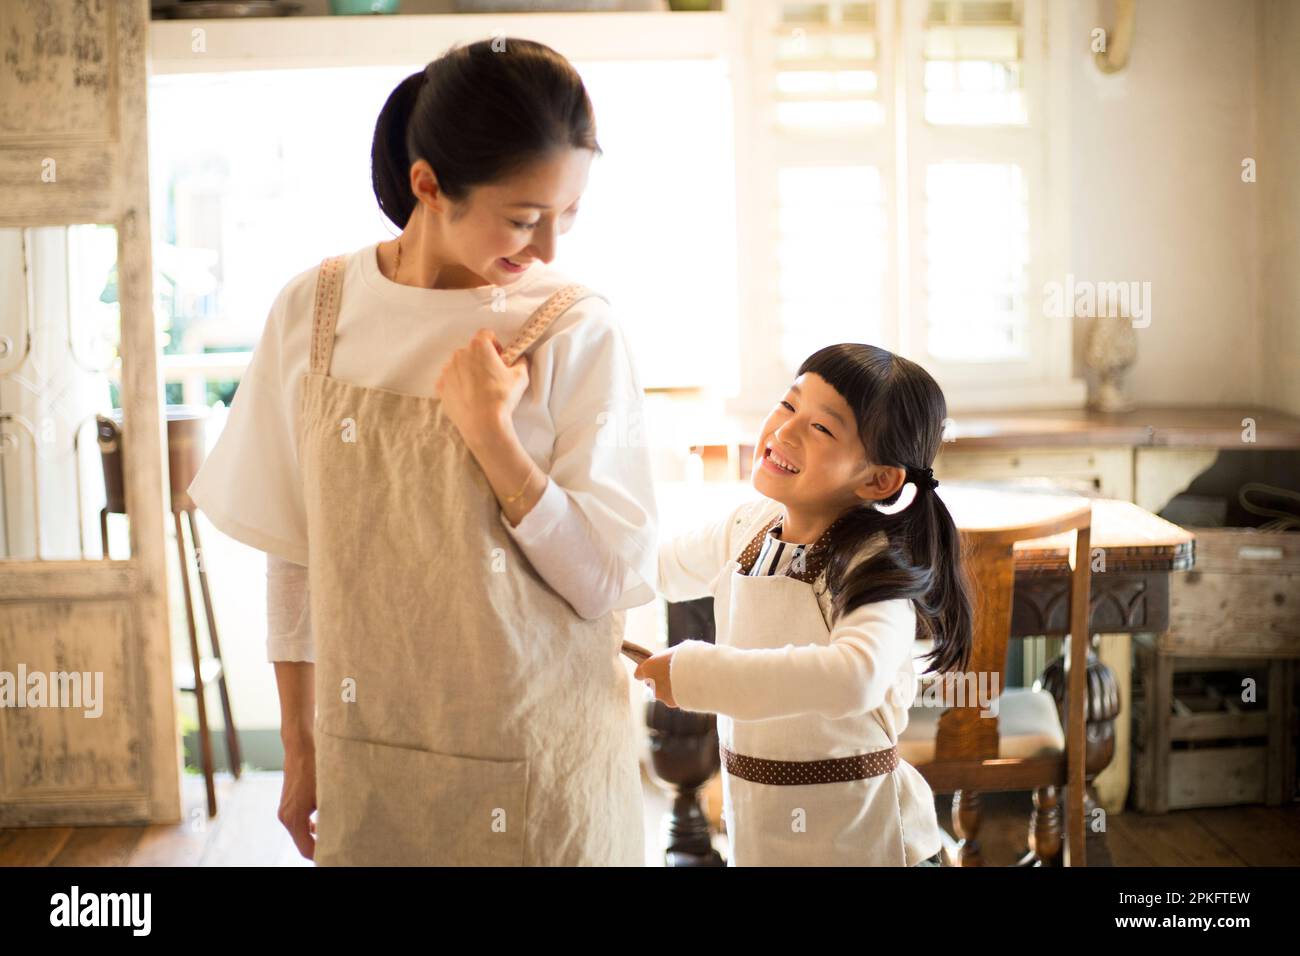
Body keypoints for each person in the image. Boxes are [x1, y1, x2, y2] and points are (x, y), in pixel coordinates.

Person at [188, 38, 657, 865]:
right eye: (523, 218)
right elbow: (298, 554)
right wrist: (301, 749)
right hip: (373, 761)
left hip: (542, 772)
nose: (549, 248)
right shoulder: (315, 311)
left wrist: (493, 439)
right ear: (429, 185)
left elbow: (604, 585)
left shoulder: (580, 329)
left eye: (569, 214)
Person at [637, 343, 972, 866]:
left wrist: (697, 673)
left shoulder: (871, 567)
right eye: (789, 405)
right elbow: (650, 569)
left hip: (867, 838)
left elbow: (854, 676)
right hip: (764, 835)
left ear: (878, 479)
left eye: (822, 429)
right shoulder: (746, 529)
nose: (785, 431)